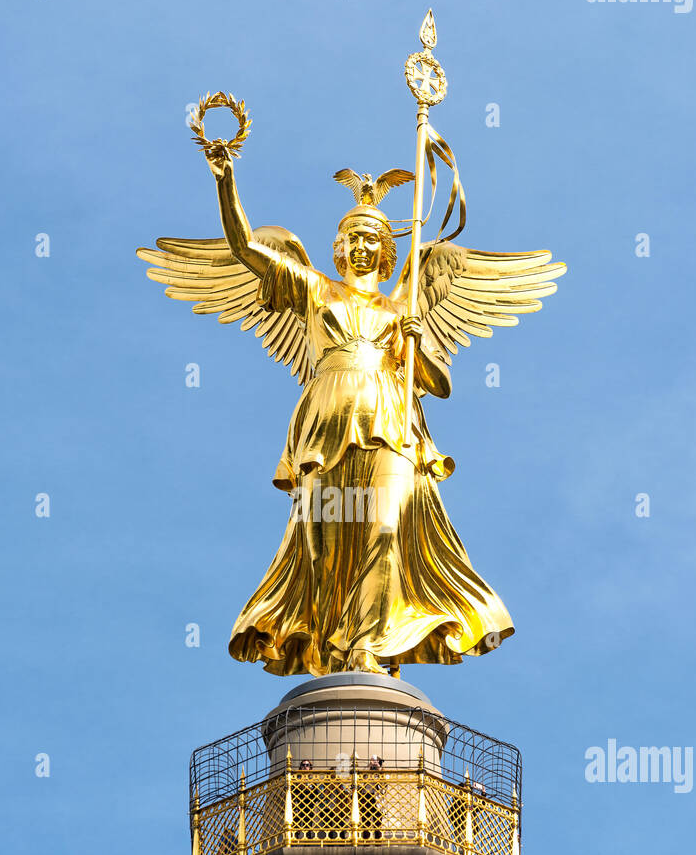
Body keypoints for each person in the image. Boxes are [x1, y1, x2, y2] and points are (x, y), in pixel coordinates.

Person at [202, 146, 515, 677]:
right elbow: (243, 247)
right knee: (320, 551)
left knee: (387, 531)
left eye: (374, 238)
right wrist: (225, 178)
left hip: (391, 425)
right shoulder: (313, 290)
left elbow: (439, 386)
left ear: (388, 250)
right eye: (354, 238)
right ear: (339, 248)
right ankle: (330, 650)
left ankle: (369, 644)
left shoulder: (401, 308)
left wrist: (417, 339)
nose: (364, 246)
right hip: (325, 423)